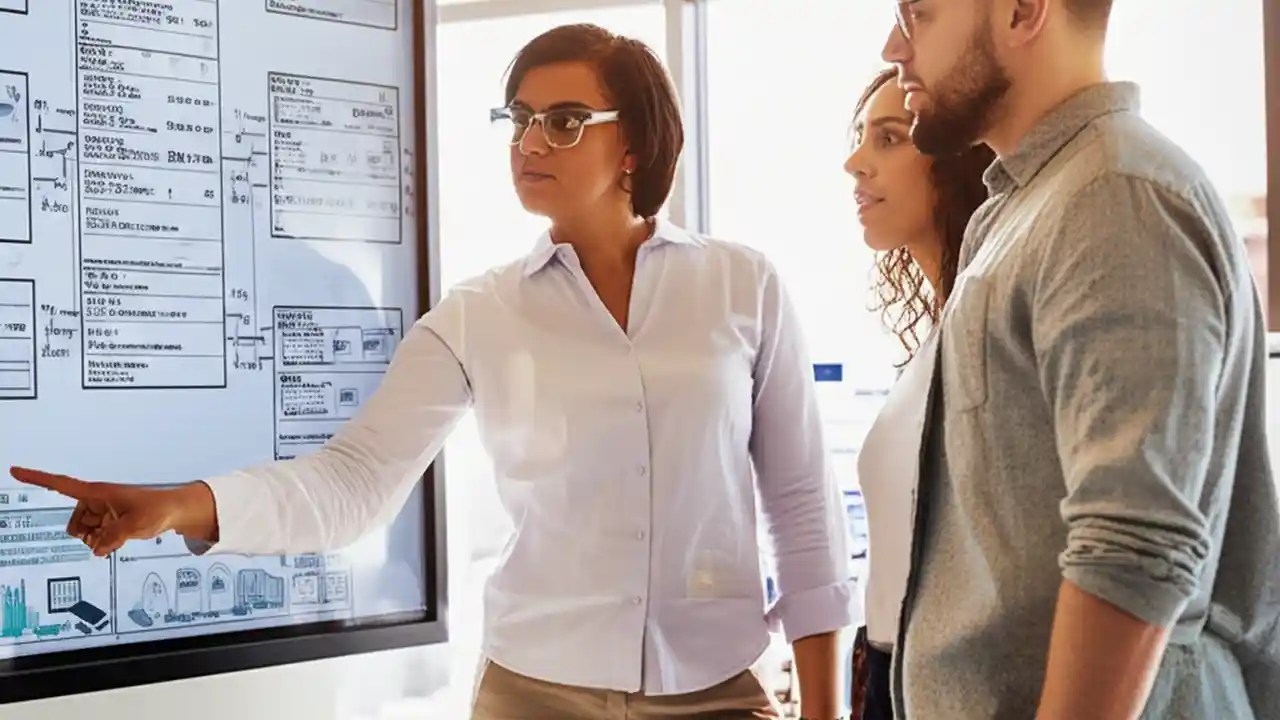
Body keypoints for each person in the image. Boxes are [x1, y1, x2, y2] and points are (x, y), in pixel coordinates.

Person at [10, 24, 857, 720]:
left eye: (563, 121)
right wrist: (177, 506)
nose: (529, 141)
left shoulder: (743, 286)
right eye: (518, 118)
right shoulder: (478, 314)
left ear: (633, 140)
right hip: (532, 696)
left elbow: (802, 513)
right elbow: (351, 483)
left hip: (714, 696)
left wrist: (824, 713)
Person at [878, 1, 1280, 718]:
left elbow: (1134, 546)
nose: (894, 48)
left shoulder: (1115, 199)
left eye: (921, 15)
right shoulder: (1027, 209)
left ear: (1024, 11)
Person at [840, 68, 991, 720]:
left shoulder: (986, 338)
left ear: (958, 165)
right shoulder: (937, 340)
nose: (854, 162)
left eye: (889, 138)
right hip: (890, 672)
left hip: (951, 685)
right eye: (861, 137)